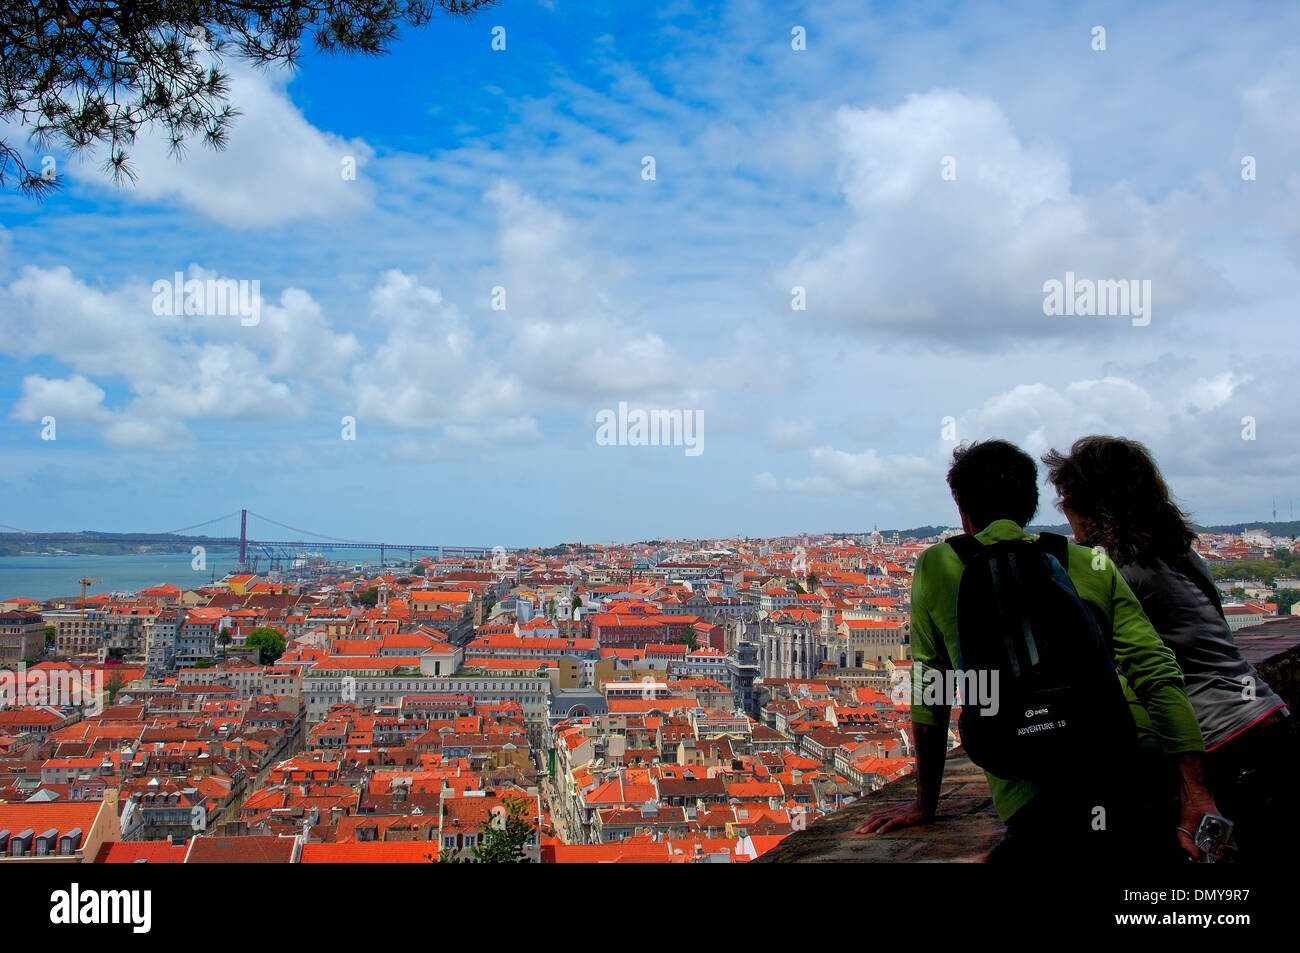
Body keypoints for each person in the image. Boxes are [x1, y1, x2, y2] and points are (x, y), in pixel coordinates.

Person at [856, 439, 1220, 862]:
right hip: (1124, 762)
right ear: (1031, 504)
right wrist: (1197, 792)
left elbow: (930, 691)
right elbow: (1157, 674)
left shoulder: (938, 565)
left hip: (1026, 781)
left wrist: (925, 804)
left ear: (962, 507)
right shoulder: (1088, 562)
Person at [1043, 435, 1297, 862]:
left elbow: (1151, 676)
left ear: (1091, 503)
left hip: (1212, 744)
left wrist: (1194, 789)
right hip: (1267, 721)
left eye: (1067, 500)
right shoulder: (1177, 552)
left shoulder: (1110, 569)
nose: (1065, 513)